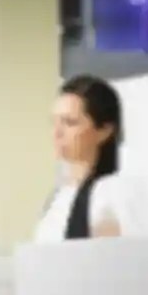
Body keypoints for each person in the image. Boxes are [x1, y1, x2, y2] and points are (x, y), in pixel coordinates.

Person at [35, 74, 139, 241]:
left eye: (70, 122)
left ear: (104, 131)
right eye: (54, 122)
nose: (57, 133)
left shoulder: (113, 195)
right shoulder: (57, 198)